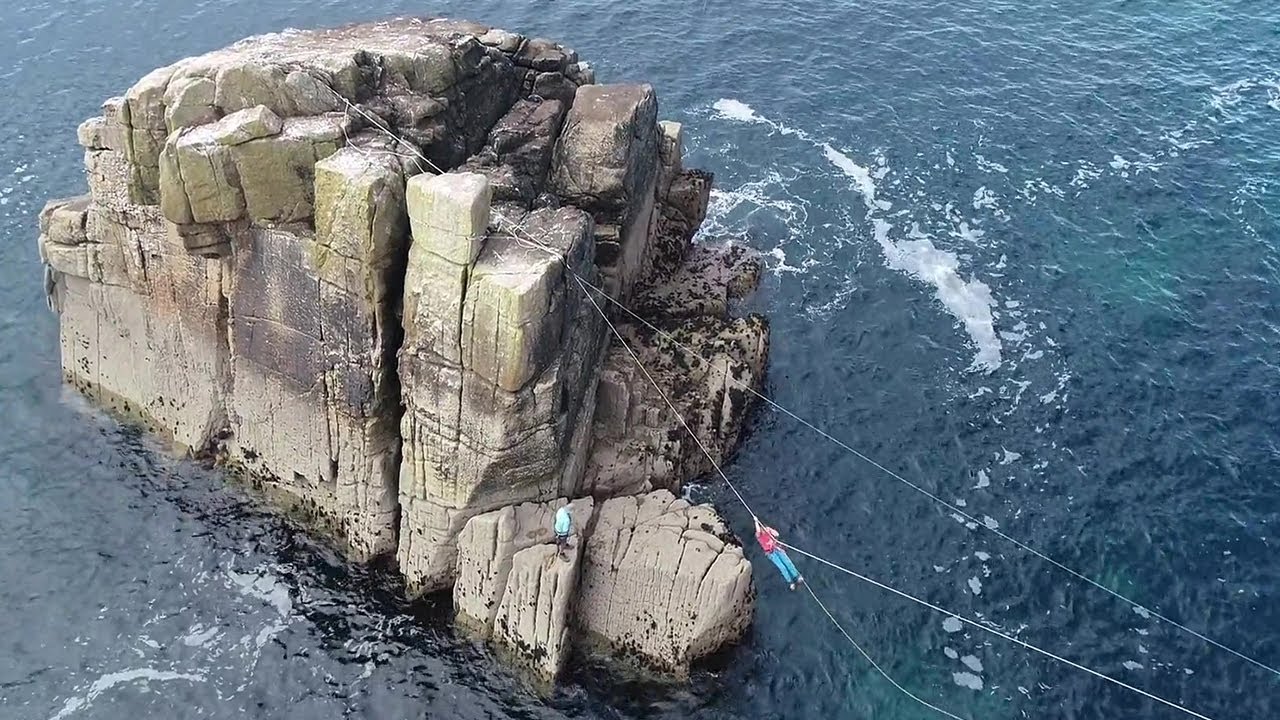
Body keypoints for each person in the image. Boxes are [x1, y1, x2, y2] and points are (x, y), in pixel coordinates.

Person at [755, 517, 803, 590]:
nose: (763, 530)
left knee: (788, 562)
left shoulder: (768, 531)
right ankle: (790, 582)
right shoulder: (759, 536)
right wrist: (756, 521)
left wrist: (769, 530)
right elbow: (758, 531)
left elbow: (777, 534)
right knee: (782, 567)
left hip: (777, 548)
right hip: (771, 553)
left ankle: (796, 576)